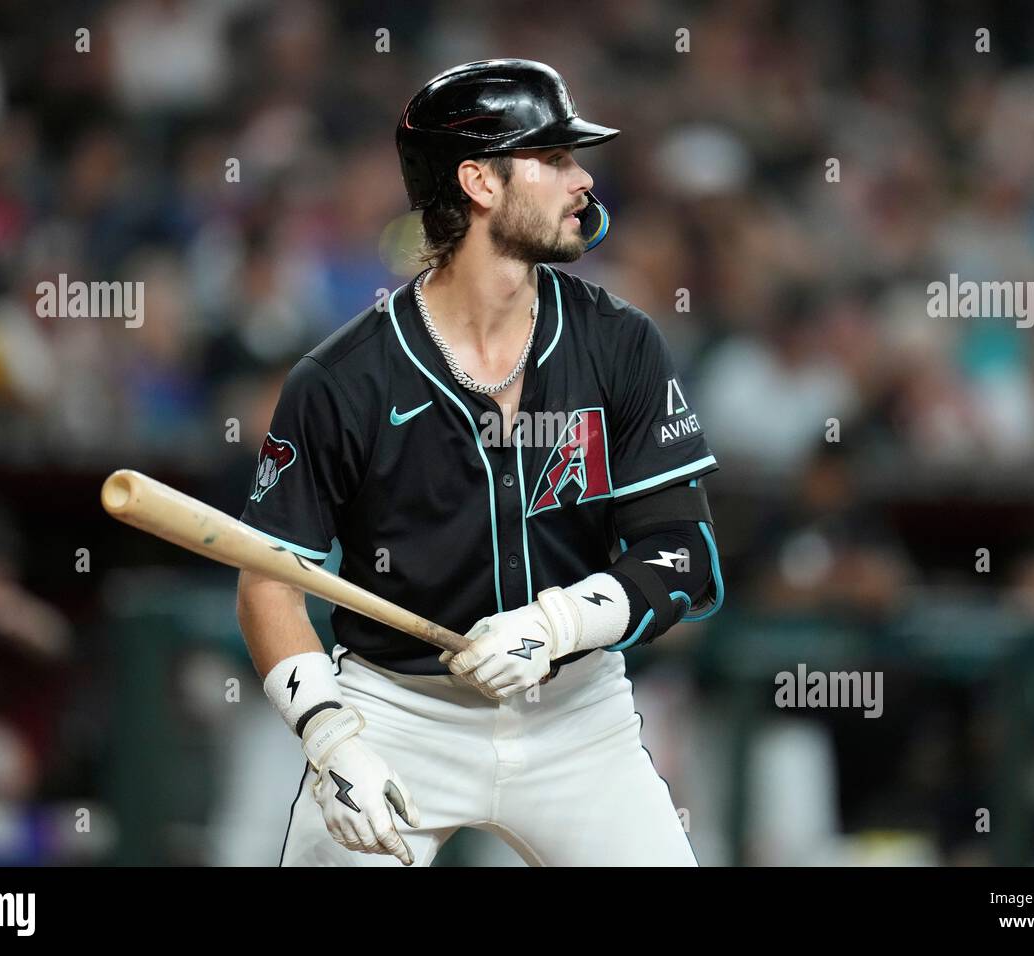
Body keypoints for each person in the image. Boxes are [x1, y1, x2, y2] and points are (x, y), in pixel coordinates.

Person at [236, 59, 723, 866]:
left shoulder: (619, 341)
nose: (583, 178)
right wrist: (327, 732)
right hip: (395, 714)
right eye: (557, 158)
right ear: (479, 182)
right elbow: (268, 579)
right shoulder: (344, 377)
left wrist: (557, 622)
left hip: (577, 716)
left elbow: (685, 555)